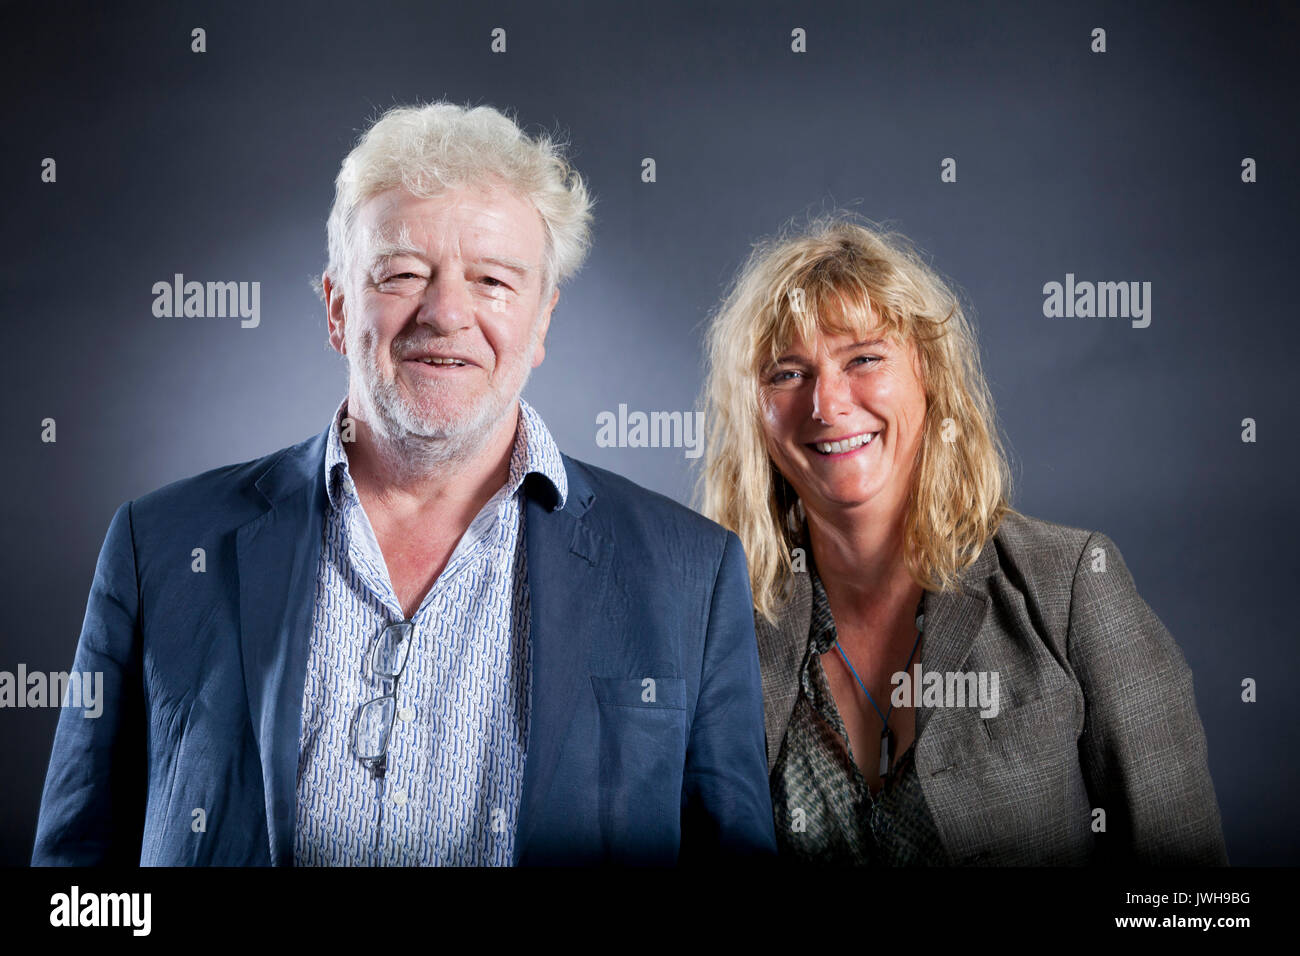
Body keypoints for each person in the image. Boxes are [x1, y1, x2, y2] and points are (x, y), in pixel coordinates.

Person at [32, 101, 775, 866]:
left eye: (492, 280)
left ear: (542, 321)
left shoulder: (690, 576)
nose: (446, 312)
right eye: (402, 273)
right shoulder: (159, 548)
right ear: (336, 307)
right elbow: (74, 886)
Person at [699, 215, 1227, 865]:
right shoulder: (720, 624)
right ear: (754, 411)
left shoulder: (1069, 584)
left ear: (928, 372)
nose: (826, 404)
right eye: (787, 373)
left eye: (863, 358)